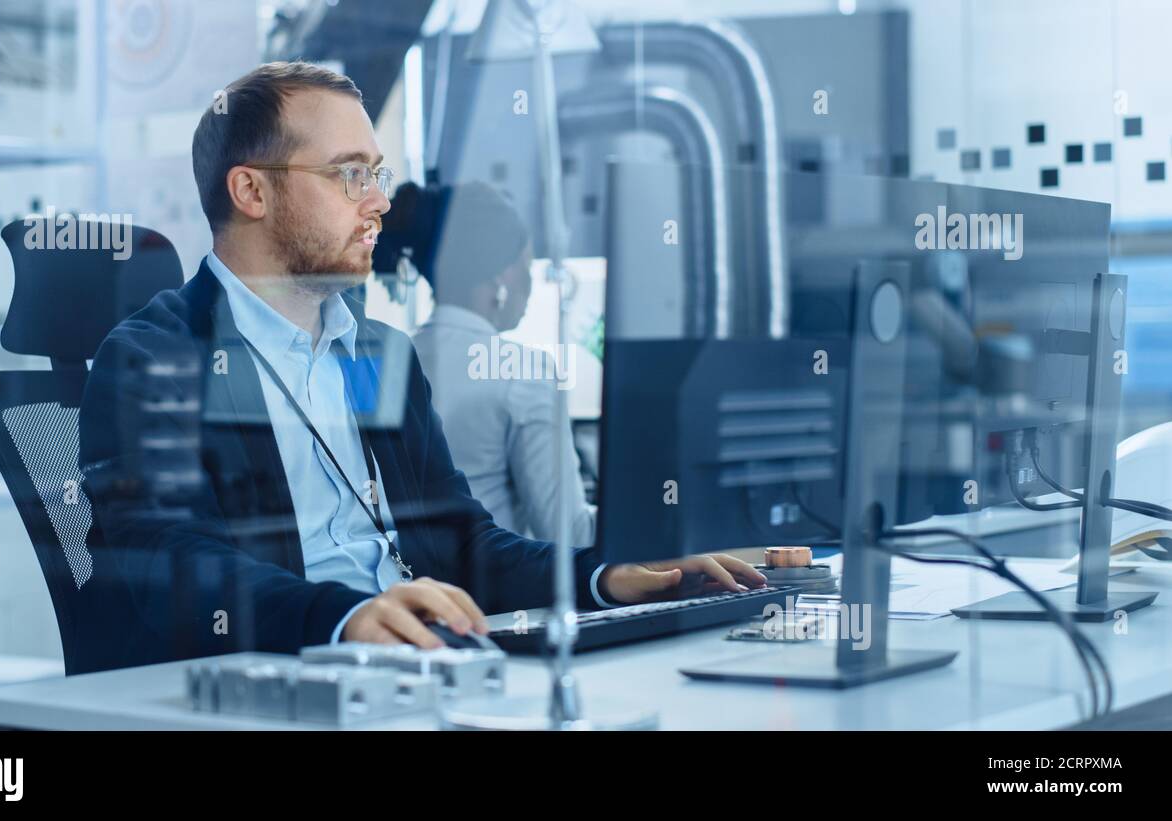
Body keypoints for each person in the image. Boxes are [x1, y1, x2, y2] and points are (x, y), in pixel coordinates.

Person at [78, 61, 766, 668]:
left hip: (414, 668)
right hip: (278, 677)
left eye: (377, 174)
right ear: (252, 193)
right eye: (350, 175)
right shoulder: (152, 357)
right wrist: (344, 618)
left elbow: (462, 541)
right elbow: (175, 564)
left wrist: (603, 574)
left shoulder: (374, 352)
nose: (378, 201)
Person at [374, 181, 597, 546]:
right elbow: (569, 536)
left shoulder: (388, 360)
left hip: (407, 591)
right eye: (526, 268)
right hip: (496, 593)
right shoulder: (523, 372)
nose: (530, 287)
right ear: (501, 278)